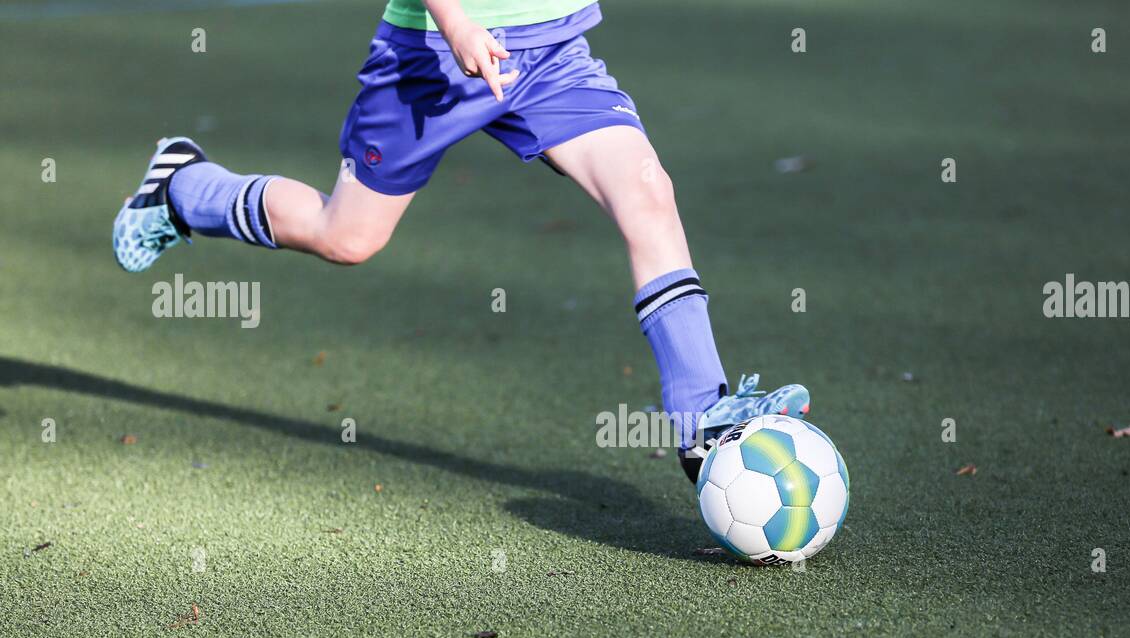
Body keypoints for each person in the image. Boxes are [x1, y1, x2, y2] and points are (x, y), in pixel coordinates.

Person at [112, 0, 809, 481]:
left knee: (648, 191)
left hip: (551, 53)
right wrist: (454, 20)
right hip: (432, 59)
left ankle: (702, 418)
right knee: (346, 236)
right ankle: (185, 186)